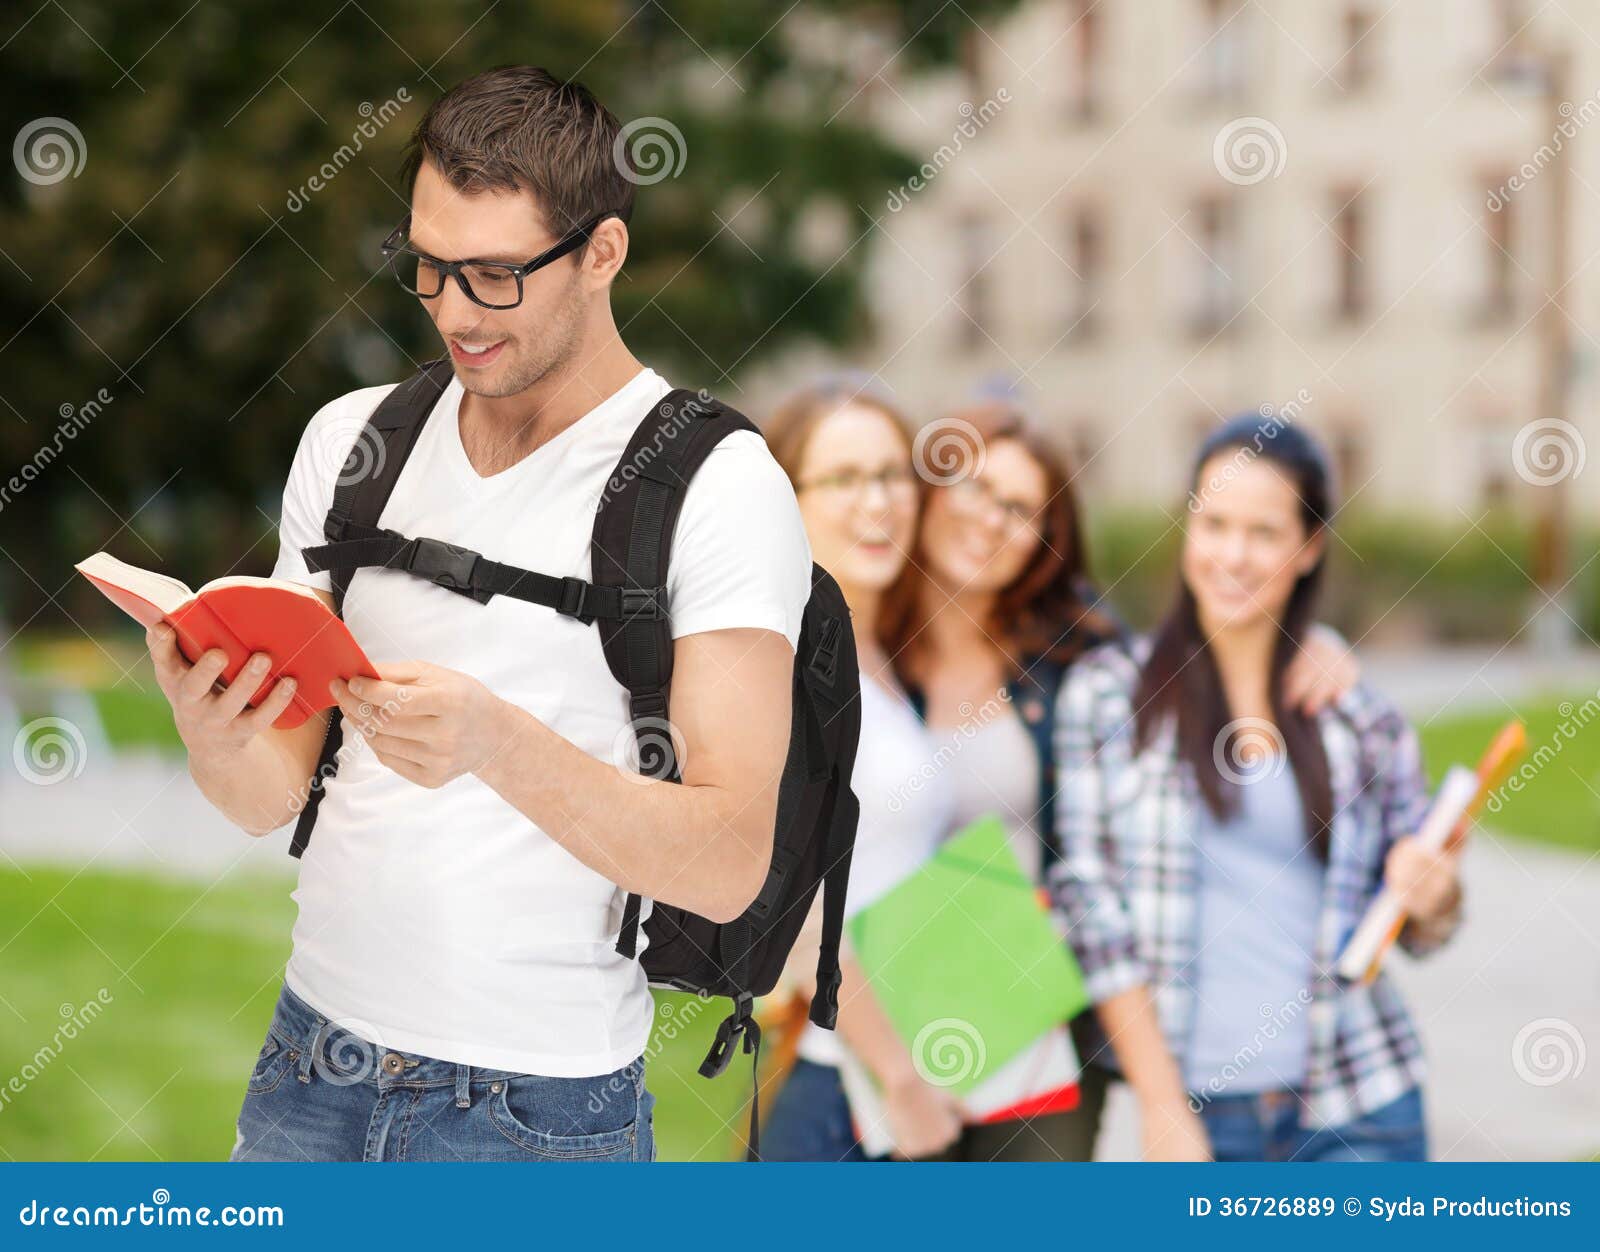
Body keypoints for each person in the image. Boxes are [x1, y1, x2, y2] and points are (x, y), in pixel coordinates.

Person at [144, 66, 812, 1162]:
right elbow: (267, 796)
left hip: (531, 1115)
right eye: (429, 266)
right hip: (309, 1064)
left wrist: (496, 742)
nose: (454, 310)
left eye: (495, 275)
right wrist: (212, 725)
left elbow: (730, 857)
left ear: (603, 252)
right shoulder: (355, 441)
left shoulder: (717, 483)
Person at [877, 399, 1362, 1161]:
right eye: (973, 488)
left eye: (1021, 508)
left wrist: (1312, 644)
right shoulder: (851, 642)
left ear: (1046, 539)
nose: (990, 519)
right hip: (867, 998)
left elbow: (1198, 647)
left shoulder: (1071, 655)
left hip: (1024, 1000)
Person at [1051, 414, 1463, 1163]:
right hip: (1200, 1117)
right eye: (1214, 525)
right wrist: (1162, 1104)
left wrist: (1436, 899)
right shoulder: (1109, 698)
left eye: (1265, 533)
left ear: (1308, 549)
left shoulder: (1359, 716)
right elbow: (1091, 911)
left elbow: (1418, 920)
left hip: (1359, 1106)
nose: (1232, 555)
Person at [757, 378, 967, 1161]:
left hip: (902, 1081)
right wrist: (900, 1078)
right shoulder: (783, 660)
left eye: (890, 475)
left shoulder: (876, 651)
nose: (877, 501)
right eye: (843, 480)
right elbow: (792, 901)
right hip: (851, 1095)